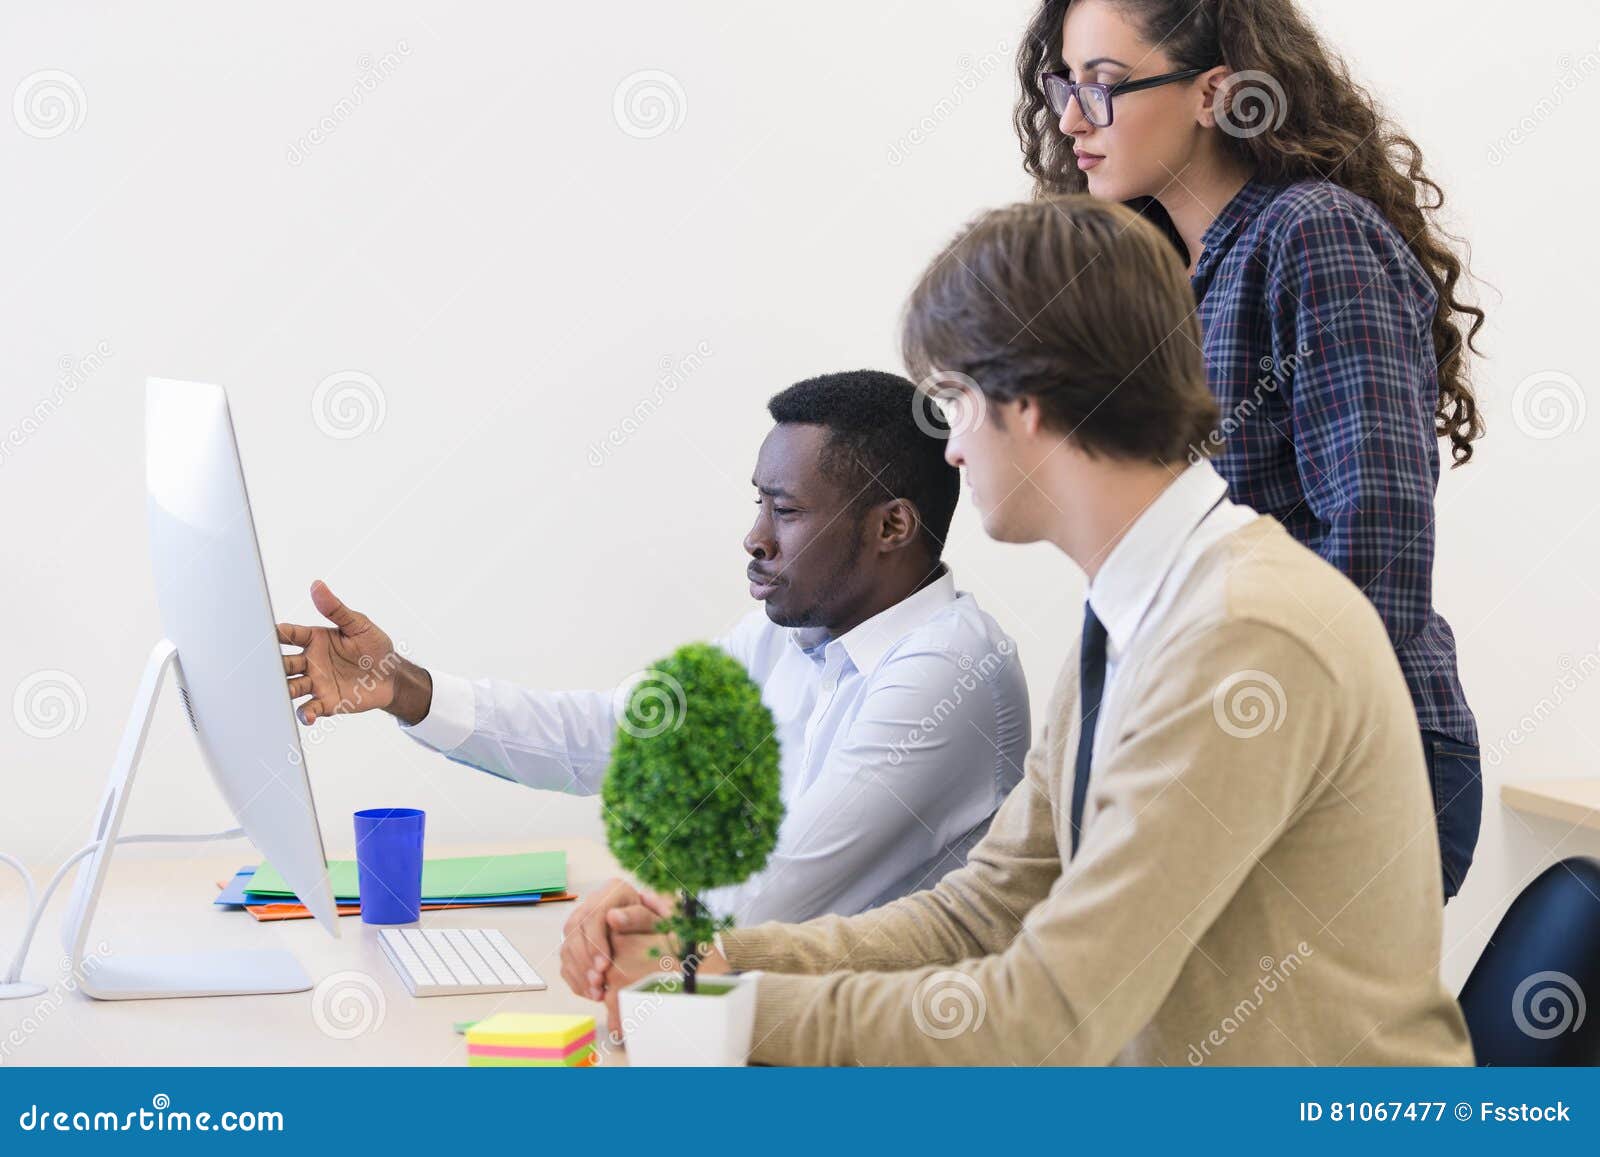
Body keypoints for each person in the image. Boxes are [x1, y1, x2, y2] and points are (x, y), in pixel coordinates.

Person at [580, 197, 1474, 1066]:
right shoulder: (1135, 611)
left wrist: (723, 1010)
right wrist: (718, 958)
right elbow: (987, 909)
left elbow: (1047, 1017)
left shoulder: (1242, 634)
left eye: (954, 403)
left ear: (1030, 400)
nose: (952, 450)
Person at [1014, 0, 1484, 898]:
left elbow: (1377, 536)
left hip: (1359, 755)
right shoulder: (1166, 273)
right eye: (1065, 84)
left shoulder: (1310, 233)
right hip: (1235, 738)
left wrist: (1271, 755)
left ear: (1213, 94)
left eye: (1105, 88)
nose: (1072, 118)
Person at [277, 369, 1029, 930]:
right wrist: (404, 685)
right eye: (758, 501)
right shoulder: (793, 636)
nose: (755, 536)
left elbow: (776, 894)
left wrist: (629, 910)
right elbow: (613, 735)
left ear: (891, 527)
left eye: (787, 510)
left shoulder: (949, 668)